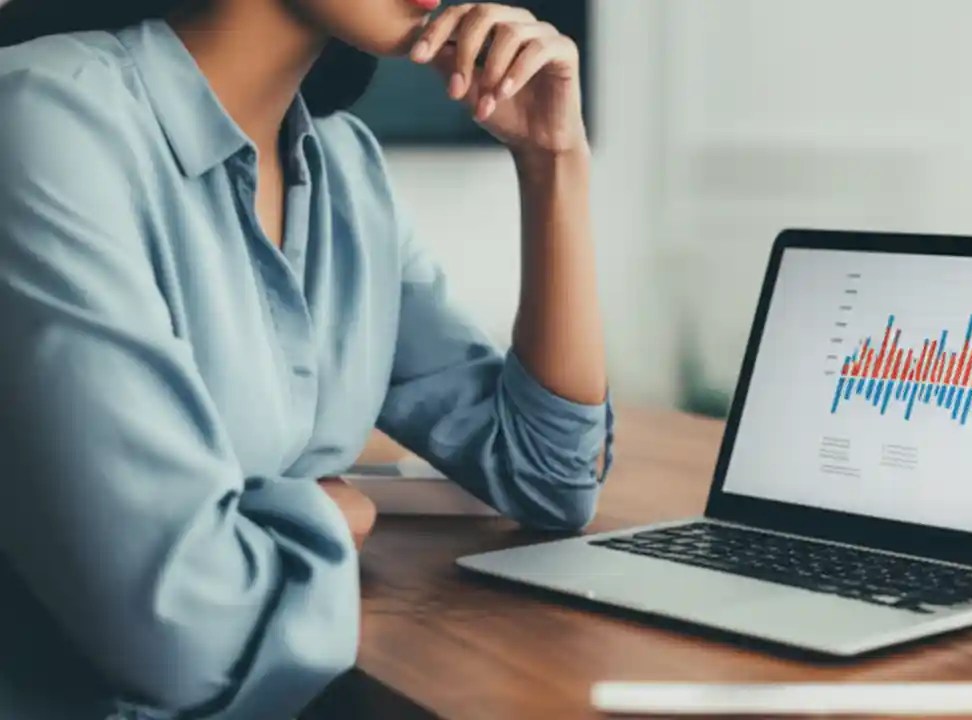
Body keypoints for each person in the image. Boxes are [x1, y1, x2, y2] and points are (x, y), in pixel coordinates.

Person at [0, 0, 612, 717]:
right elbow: (179, 637)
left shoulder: (346, 168)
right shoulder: (45, 118)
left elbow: (551, 473)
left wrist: (552, 162)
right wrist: (323, 516)